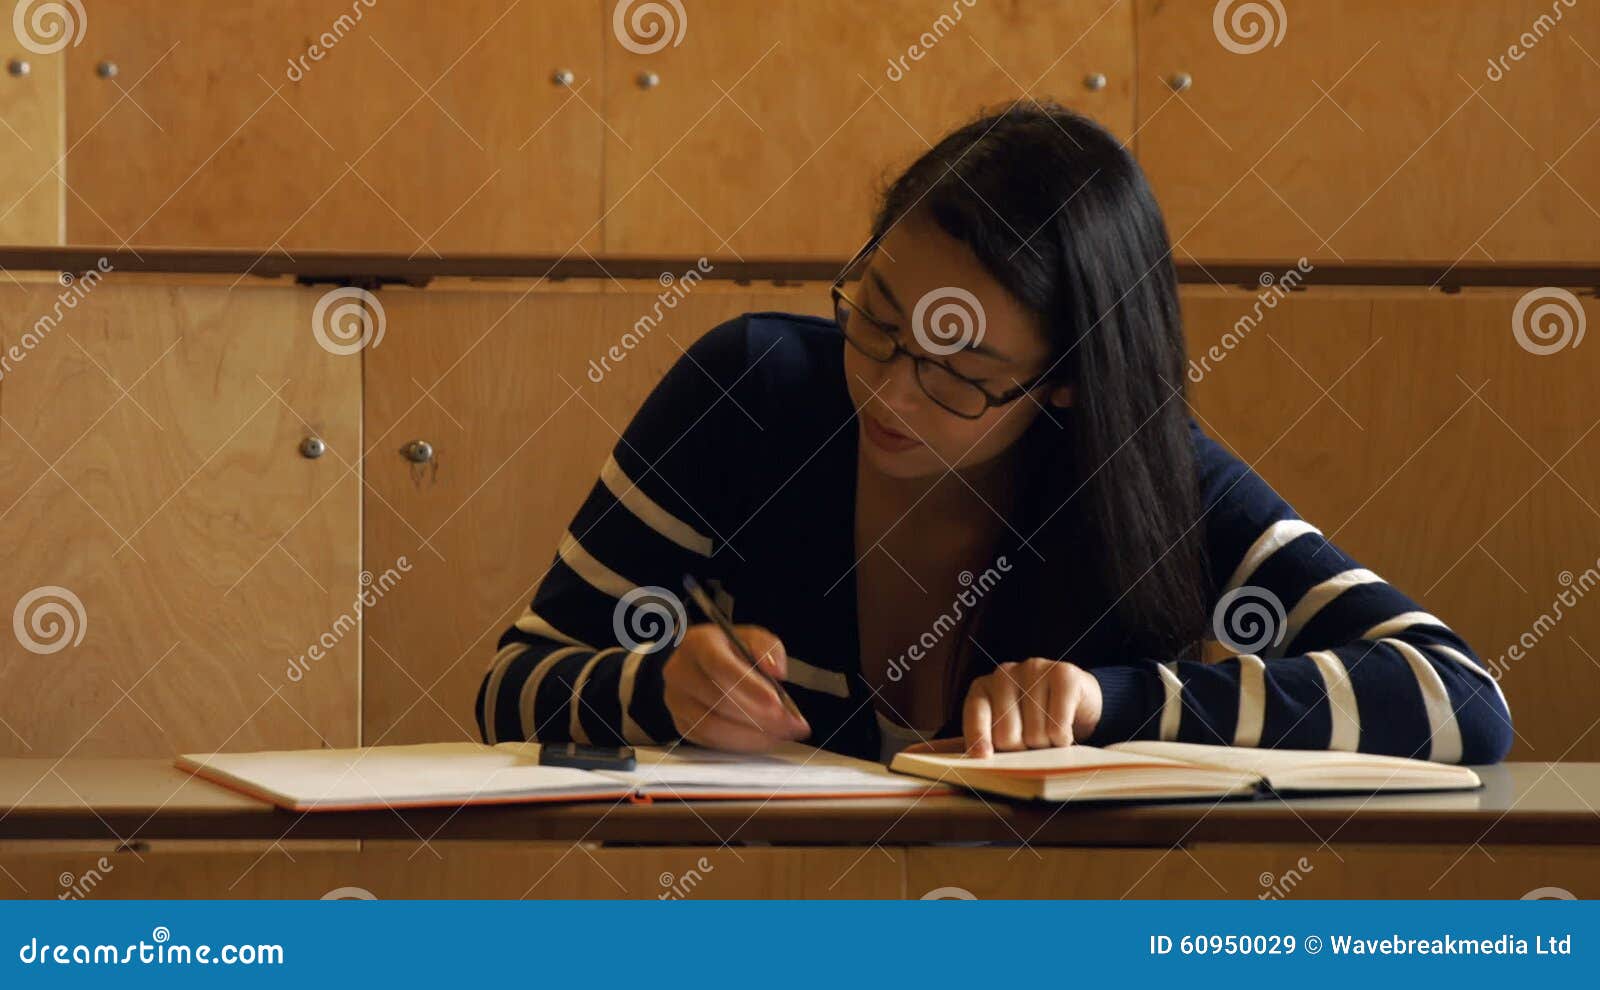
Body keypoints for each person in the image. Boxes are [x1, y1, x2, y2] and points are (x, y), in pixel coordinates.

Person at [475, 103, 1512, 765]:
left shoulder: (1139, 477)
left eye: (962, 378)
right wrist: (653, 689)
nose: (888, 392)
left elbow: (1456, 697)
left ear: (1065, 384)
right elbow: (512, 685)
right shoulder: (751, 395)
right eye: (874, 319)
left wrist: (1109, 703)